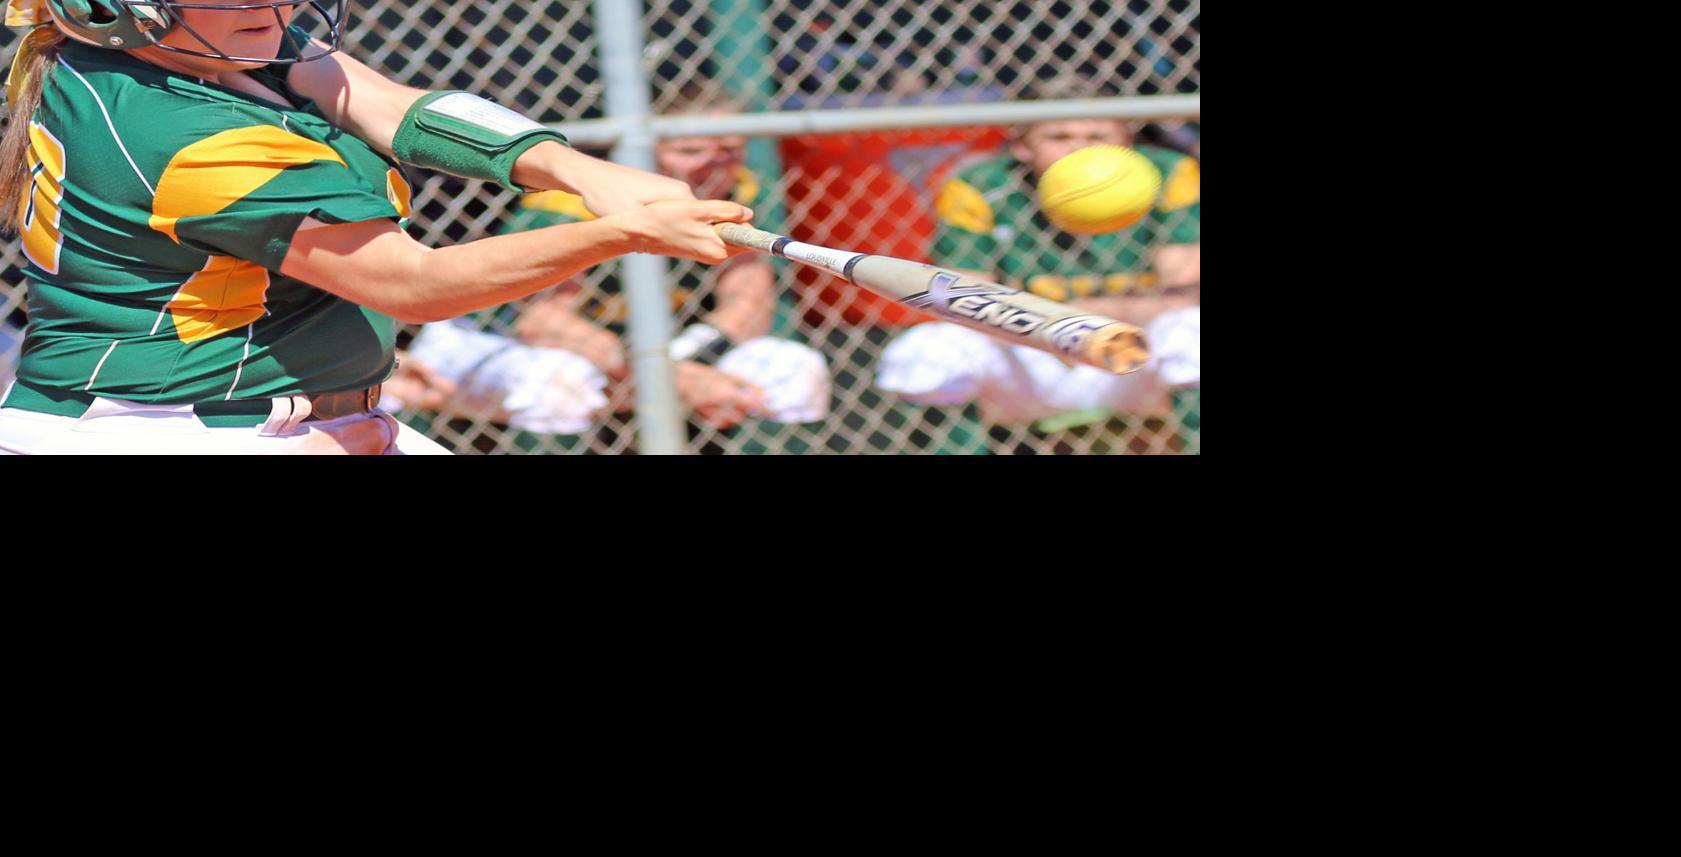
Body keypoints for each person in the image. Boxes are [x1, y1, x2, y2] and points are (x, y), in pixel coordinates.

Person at [0, 0, 750, 455]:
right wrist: (618, 233)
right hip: (172, 431)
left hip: (260, 419)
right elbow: (412, 283)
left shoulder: (157, 47)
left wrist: (588, 173)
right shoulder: (189, 134)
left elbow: (385, 102)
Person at [416, 88, 828, 451]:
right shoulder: (575, 202)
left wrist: (688, 362)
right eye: (689, 151)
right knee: (560, 386)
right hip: (488, 341)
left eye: (729, 151)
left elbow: (749, 303)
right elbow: (543, 324)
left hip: (638, 350)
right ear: (641, 153)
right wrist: (669, 378)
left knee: (791, 371)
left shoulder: (736, 188)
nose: (714, 166)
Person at [875, 108, 1202, 453]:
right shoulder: (982, 184)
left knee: (1191, 332)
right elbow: (964, 303)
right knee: (927, 352)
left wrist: (1059, 312)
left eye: (1097, 137)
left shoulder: (1166, 173)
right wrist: (1075, 318)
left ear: (1126, 141)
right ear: (1022, 147)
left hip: (1132, 352)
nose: (1079, 150)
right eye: (1058, 137)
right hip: (1031, 360)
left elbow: (1184, 295)